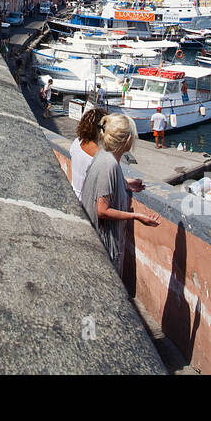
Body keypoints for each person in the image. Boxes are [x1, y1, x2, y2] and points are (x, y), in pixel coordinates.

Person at [80, 114, 159, 289]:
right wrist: (136, 216)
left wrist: (125, 184)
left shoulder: (103, 156)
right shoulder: (109, 165)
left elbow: (105, 184)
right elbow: (102, 209)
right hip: (104, 245)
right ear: (128, 139)